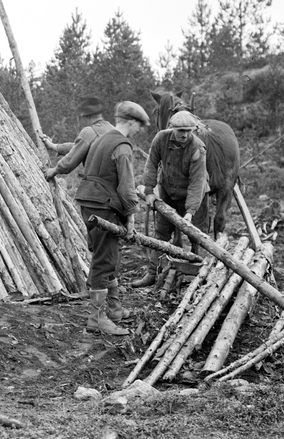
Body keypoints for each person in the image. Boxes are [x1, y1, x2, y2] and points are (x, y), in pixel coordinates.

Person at [74, 100, 151, 335]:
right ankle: (96, 318)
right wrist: (131, 218)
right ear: (130, 122)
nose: (139, 130)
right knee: (104, 259)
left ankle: (115, 309)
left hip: (89, 201)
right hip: (103, 206)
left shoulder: (101, 139)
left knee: (108, 255)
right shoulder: (122, 146)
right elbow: (127, 188)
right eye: (139, 125)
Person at [129, 110, 209, 289]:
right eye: (181, 130)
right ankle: (152, 273)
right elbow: (151, 164)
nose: (185, 134)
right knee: (161, 233)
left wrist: (190, 211)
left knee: (196, 236)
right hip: (168, 190)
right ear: (172, 128)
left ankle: (200, 277)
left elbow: (197, 183)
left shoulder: (198, 148)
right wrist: (149, 190)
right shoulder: (161, 139)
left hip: (194, 195)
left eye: (189, 130)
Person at [39, 97, 112, 180]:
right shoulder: (113, 130)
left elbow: (71, 160)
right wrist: (53, 146)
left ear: (87, 117)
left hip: (98, 186)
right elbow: (78, 147)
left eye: (81, 117)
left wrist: (54, 171)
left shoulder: (89, 132)